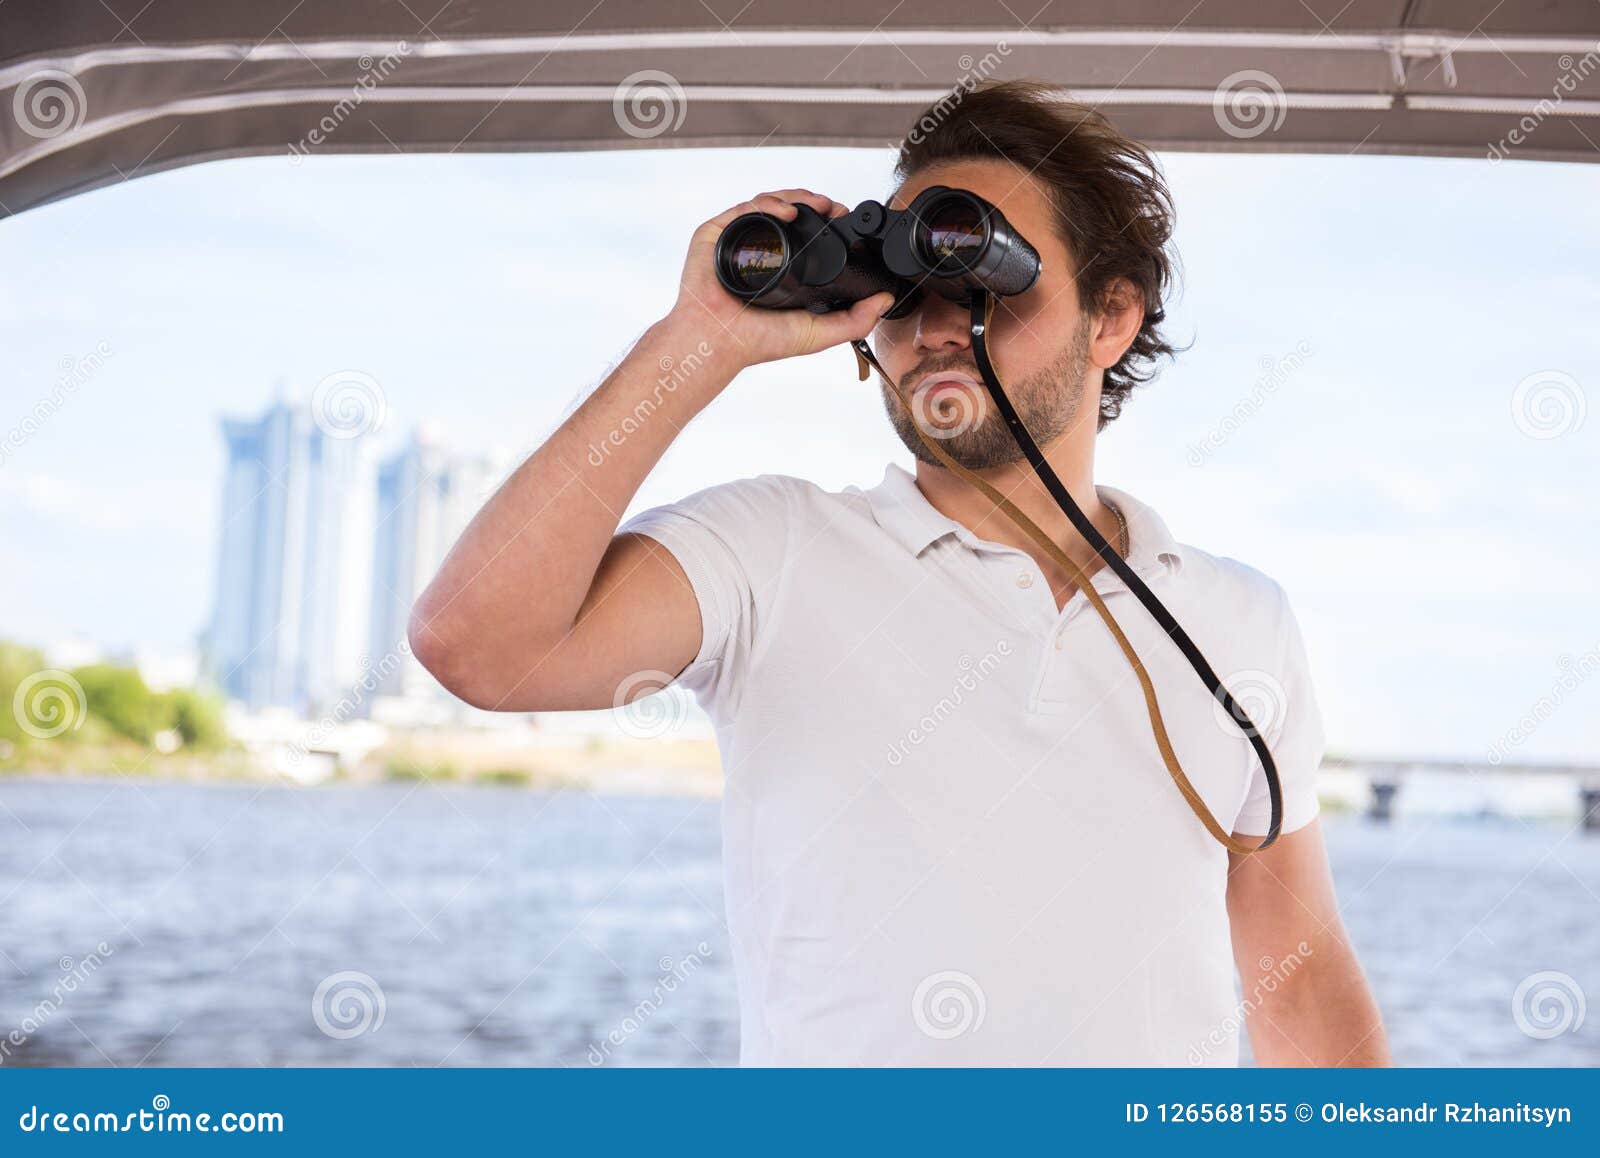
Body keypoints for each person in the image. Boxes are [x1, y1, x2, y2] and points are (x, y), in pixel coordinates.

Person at [410, 79, 1387, 1066]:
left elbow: (1296, 975)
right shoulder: (771, 550)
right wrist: (697, 340)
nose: (933, 331)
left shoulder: (1239, 619)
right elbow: (478, 647)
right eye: (904, 293)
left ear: (1112, 316)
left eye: (984, 281)